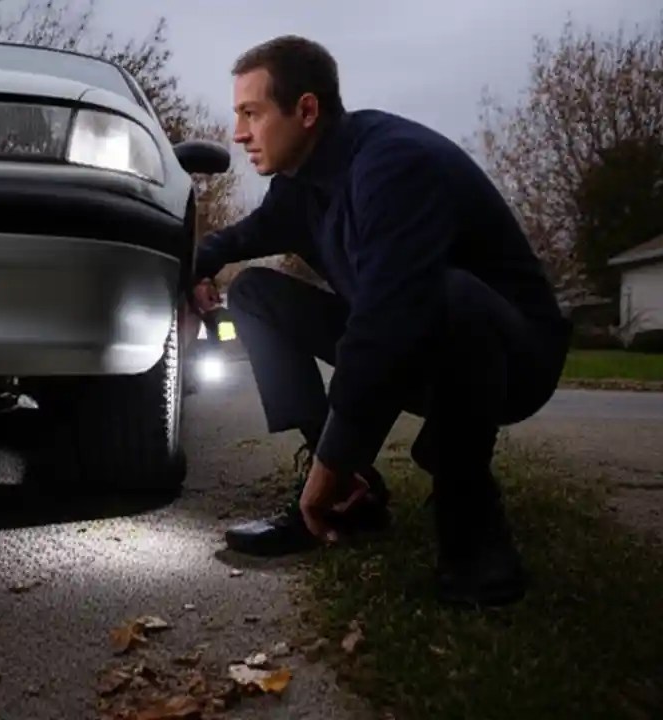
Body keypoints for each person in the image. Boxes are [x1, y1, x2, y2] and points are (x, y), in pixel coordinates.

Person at [190, 35, 572, 607]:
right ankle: (355, 494)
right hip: (415, 344)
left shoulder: (392, 165)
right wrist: (183, 271)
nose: (238, 133)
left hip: (512, 358)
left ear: (306, 109)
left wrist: (334, 460)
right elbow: (235, 240)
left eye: (252, 113)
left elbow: (387, 321)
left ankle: (471, 524)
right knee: (252, 293)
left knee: (443, 293)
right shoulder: (297, 187)